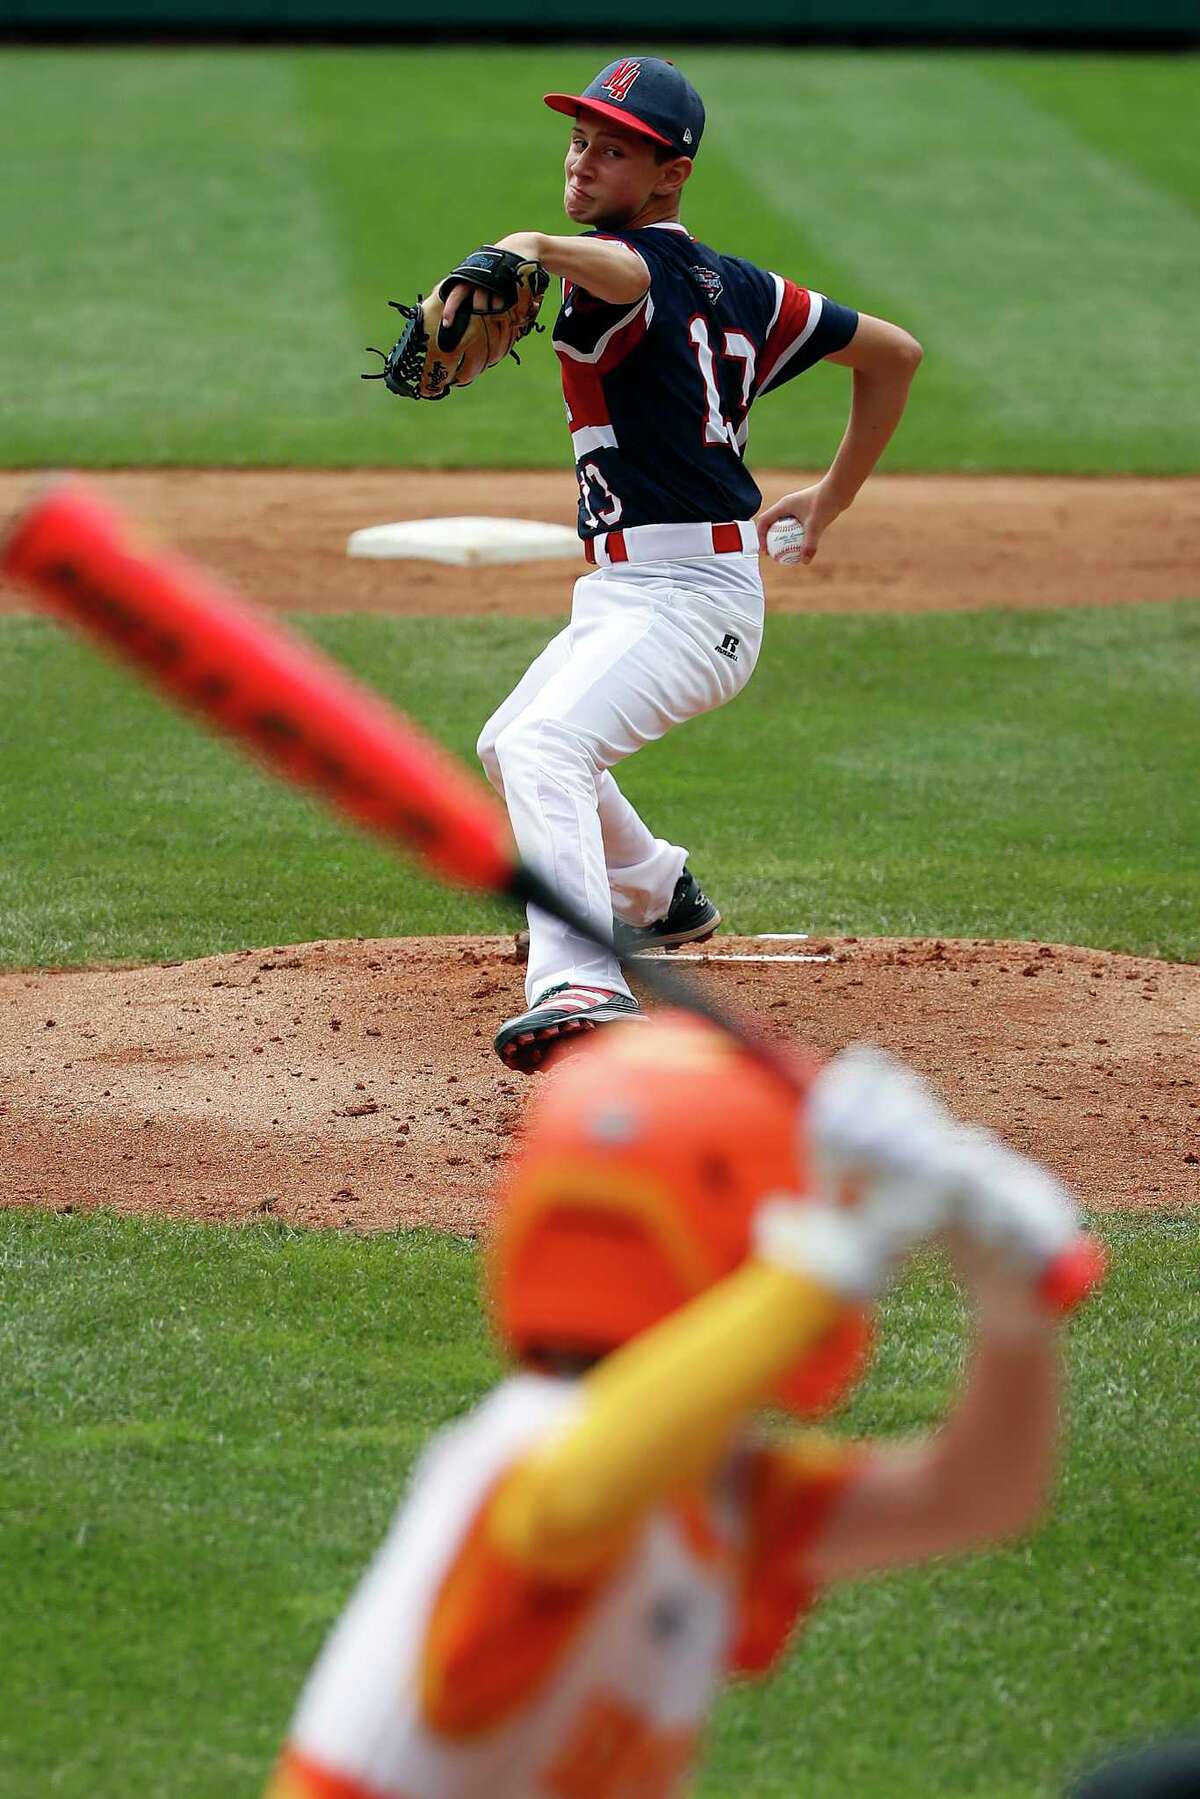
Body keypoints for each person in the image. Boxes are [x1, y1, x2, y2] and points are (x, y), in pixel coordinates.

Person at [265, 1018, 1102, 1799]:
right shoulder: (529, 1443)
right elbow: (568, 1502)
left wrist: (1011, 1317)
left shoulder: (719, 1487)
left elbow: (972, 1499)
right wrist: (823, 1265)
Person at [451, 56, 923, 1071]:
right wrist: (829, 498)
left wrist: (532, 244)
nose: (583, 161)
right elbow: (895, 353)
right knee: (508, 742)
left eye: (613, 150)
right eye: (579, 139)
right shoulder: (745, 285)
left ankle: (579, 977)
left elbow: (629, 275)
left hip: (689, 599)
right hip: (639, 591)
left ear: (671, 173)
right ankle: (657, 892)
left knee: (544, 749)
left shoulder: (633, 270)